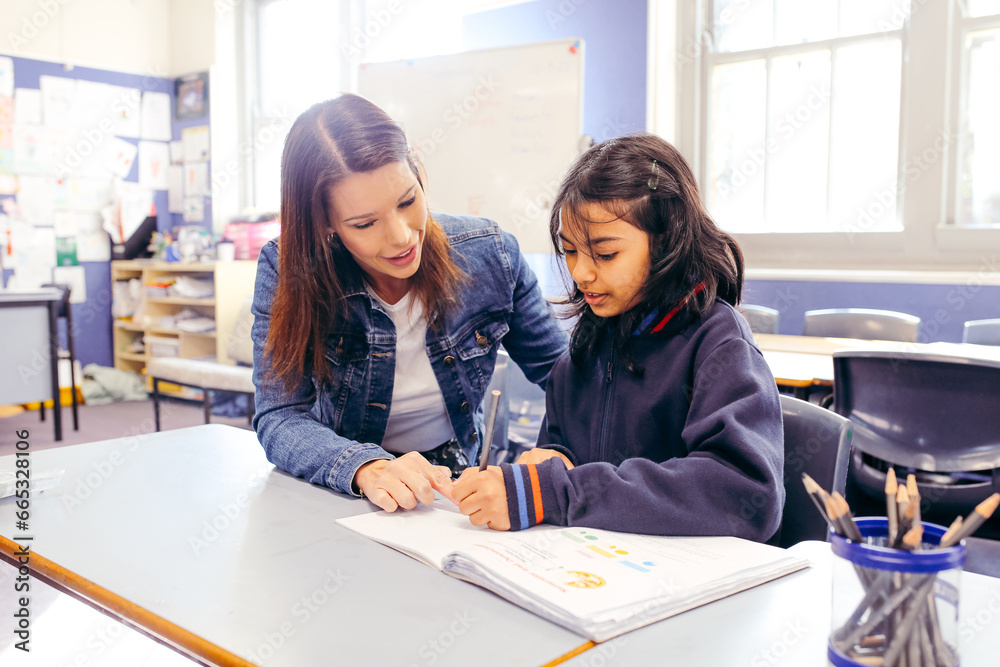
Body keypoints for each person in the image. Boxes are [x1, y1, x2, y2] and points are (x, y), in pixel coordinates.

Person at [452, 134, 784, 542]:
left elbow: (746, 495)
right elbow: (567, 463)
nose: (581, 273)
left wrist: (559, 492)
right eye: (569, 251)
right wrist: (552, 465)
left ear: (667, 242)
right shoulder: (583, 351)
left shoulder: (719, 345)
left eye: (605, 254)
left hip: (685, 586)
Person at [251, 94, 567, 513]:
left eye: (407, 201)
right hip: (346, 481)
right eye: (365, 223)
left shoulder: (491, 253)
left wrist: (558, 452)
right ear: (324, 222)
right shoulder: (288, 268)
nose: (401, 237)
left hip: (456, 479)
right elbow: (280, 416)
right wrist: (365, 467)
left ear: (416, 173)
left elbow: (568, 381)